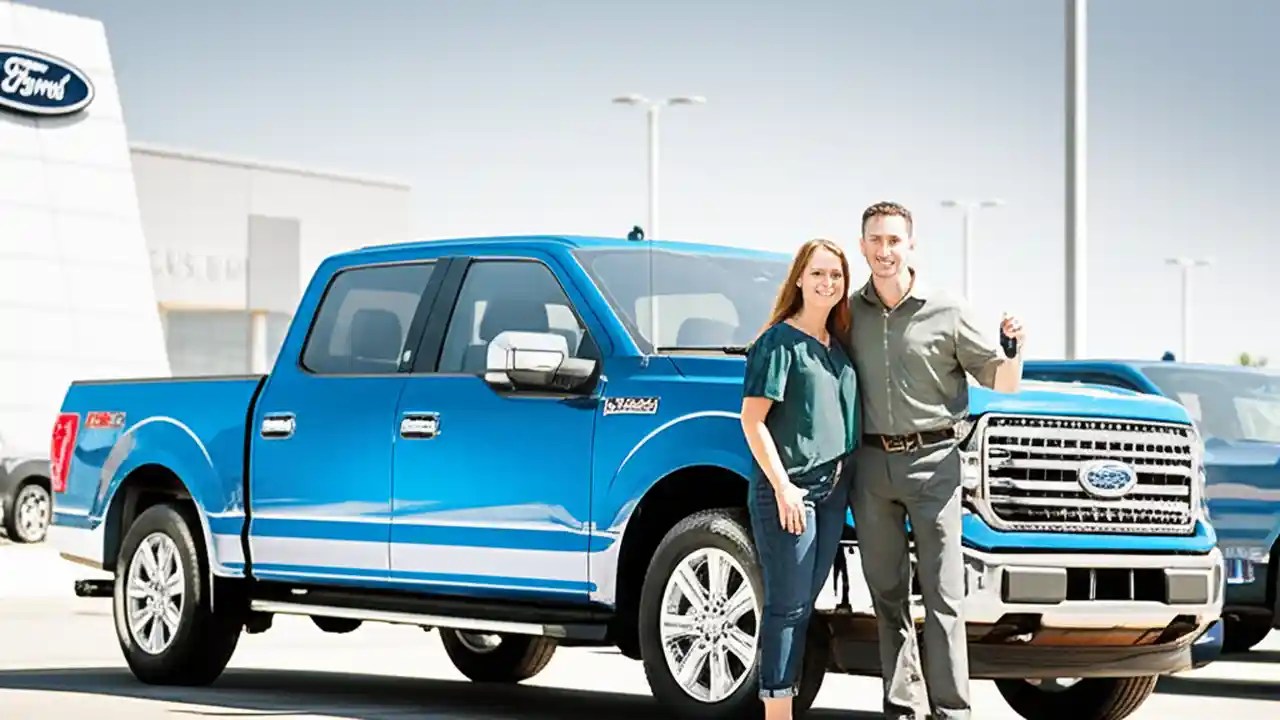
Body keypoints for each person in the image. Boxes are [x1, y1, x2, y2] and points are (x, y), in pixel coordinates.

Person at [845, 201, 1024, 720]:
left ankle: (951, 710)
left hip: (936, 465)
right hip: (871, 467)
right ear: (862, 245)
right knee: (887, 595)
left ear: (911, 244)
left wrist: (1015, 348)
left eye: (894, 240)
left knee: (944, 596)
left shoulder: (948, 310)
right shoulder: (848, 313)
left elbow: (1002, 381)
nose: (885, 250)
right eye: (876, 240)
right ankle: (903, 707)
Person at [740, 238, 860, 719]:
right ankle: (777, 711)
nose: (827, 282)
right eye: (817, 273)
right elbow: (752, 421)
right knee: (787, 608)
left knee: (804, 607)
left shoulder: (838, 347)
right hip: (792, 492)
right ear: (799, 280)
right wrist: (784, 487)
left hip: (833, 494)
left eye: (836, 274)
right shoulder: (778, 343)